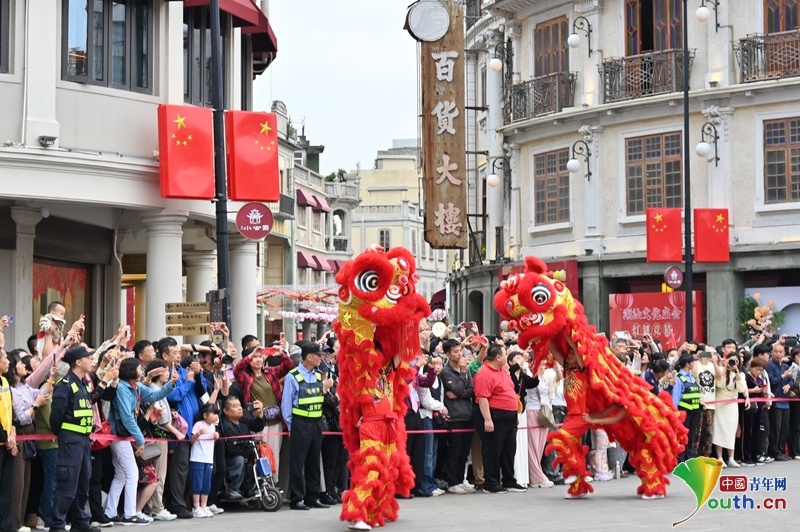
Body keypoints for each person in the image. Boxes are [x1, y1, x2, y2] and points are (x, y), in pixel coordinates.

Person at [49, 345, 117, 532]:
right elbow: (56, 415)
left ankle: (80, 522)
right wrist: (60, 434)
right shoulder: (65, 384)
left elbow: (91, 400)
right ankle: (57, 524)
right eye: (88, 357)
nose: (91, 360)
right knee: (67, 482)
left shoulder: (83, 383)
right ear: (78, 362)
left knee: (83, 481)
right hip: (71, 439)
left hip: (84, 439)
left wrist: (105, 382)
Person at [104, 357, 177, 525]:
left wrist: (171, 383)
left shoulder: (135, 386)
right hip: (119, 436)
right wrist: (140, 440)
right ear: (131, 371)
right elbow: (127, 418)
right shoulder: (122, 388)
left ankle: (110, 511)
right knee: (131, 473)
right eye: (139, 368)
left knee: (121, 474)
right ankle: (130, 514)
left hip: (125, 436)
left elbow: (155, 394)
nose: (141, 371)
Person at [6, 349, 56, 532]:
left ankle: (19, 521)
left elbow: (39, 393)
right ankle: (13, 523)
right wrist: (35, 406)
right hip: (19, 433)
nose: (23, 365)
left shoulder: (24, 386)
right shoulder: (11, 389)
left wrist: (51, 381)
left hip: (29, 435)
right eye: (19, 363)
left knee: (26, 480)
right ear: (12, 368)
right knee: (16, 482)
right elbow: (20, 417)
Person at [280, 341, 333, 510]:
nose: (321, 358)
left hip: (316, 423)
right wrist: (291, 426)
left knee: (313, 462)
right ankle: (297, 499)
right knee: (298, 462)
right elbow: (287, 404)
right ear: (309, 357)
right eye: (318, 355)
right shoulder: (293, 376)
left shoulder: (318, 376)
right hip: (300, 423)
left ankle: (313, 496)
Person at [160, 337, 206, 519]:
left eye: (179, 353)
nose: (179, 356)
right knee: (180, 468)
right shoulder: (163, 373)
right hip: (178, 430)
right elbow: (174, 396)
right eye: (175, 353)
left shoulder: (183, 371)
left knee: (189, 468)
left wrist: (199, 374)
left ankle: (187, 502)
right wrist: (188, 381)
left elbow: (202, 392)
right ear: (165, 355)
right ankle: (177, 504)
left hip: (193, 428)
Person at [473, 344, 527, 494]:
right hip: (494, 414)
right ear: (498, 357)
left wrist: (514, 414)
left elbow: (510, 391)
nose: (506, 357)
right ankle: (491, 483)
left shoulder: (503, 370)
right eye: (504, 354)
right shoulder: (484, 373)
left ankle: (509, 480)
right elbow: (482, 398)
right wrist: (488, 419)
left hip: (509, 415)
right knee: (493, 450)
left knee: (509, 450)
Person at [142, 359, 181, 521]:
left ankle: (154, 506)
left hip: (159, 435)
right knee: (158, 473)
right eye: (165, 370)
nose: (167, 373)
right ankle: (156, 507)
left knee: (158, 473)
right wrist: (177, 433)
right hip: (158, 435)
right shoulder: (152, 388)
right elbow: (160, 419)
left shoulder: (157, 388)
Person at [440, 339, 475, 494]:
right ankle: (452, 481)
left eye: (460, 350)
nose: (459, 354)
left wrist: (458, 393)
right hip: (455, 416)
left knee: (464, 452)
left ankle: (461, 480)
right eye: (455, 351)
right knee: (455, 450)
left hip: (467, 414)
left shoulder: (464, 369)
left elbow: (471, 390)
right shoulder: (446, 371)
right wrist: (461, 376)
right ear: (447, 354)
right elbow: (458, 388)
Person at [219, 395, 266, 499]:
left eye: (240, 405)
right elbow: (231, 449)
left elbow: (257, 426)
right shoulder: (225, 425)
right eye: (235, 406)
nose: (240, 408)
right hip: (231, 457)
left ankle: (254, 488)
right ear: (226, 411)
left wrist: (260, 414)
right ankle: (233, 489)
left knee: (261, 456)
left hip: (245, 452)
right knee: (239, 460)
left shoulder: (243, 418)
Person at [712, 353, 749, 467]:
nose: (733, 363)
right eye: (731, 360)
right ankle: (720, 458)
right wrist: (725, 368)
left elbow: (741, 388)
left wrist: (736, 371)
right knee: (719, 430)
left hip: (732, 405)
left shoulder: (741, 374)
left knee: (730, 430)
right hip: (720, 403)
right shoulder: (721, 369)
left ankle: (731, 458)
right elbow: (719, 384)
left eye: (736, 361)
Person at [418, 356, 447, 496]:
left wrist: (442, 409)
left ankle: (432, 481)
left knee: (434, 452)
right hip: (426, 417)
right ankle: (426, 484)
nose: (438, 366)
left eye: (440, 363)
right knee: (427, 453)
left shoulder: (439, 380)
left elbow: (440, 398)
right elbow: (425, 401)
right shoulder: (424, 377)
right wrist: (441, 407)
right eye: (434, 363)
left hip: (436, 419)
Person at [190, 403, 220, 518]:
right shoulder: (198, 424)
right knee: (197, 483)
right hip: (197, 458)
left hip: (208, 459)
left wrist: (216, 437)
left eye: (217, 414)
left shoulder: (213, 427)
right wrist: (198, 433)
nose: (216, 416)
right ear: (205, 415)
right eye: (214, 413)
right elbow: (191, 440)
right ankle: (196, 507)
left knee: (206, 484)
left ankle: (204, 506)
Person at [765, 341, 794, 461]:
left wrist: (789, 386)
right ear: (771, 353)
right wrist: (783, 377)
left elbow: (792, 379)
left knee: (784, 428)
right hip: (775, 400)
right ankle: (774, 451)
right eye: (776, 352)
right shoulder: (769, 366)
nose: (778, 354)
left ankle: (781, 450)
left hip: (785, 400)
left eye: (780, 352)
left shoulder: (786, 366)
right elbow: (771, 381)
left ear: (784, 353)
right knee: (775, 428)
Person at [0, 344, 18, 532]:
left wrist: (12, 433)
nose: (8, 362)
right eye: (5, 358)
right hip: (3, 441)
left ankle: (5, 525)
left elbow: (10, 412)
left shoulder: (5, 382)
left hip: (7, 442)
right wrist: (6, 438)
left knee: (6, 488)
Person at [672, 353, 701, 463]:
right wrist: (675, 412)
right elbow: (676, 396)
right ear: (687, 364)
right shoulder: (679, 378)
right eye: (692, 362)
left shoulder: (692, 377)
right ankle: (680, 460)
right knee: (682, 437)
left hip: (695, 410)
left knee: (691, 435)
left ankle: (689, 458)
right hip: (683, 411)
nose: (694, 364)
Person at [742, 357, 767, 465]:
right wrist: (754, 390)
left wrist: (765, 392)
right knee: (748, 432)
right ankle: (746, 457)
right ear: (751, 367)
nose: (758, 372)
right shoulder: (746, 377)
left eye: (761, 370)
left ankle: (754, 455)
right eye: (757, 369)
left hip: (759, 409)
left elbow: (764, 396)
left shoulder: (760, 380)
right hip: (748, 409)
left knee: (756, 432)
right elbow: (742, 390)